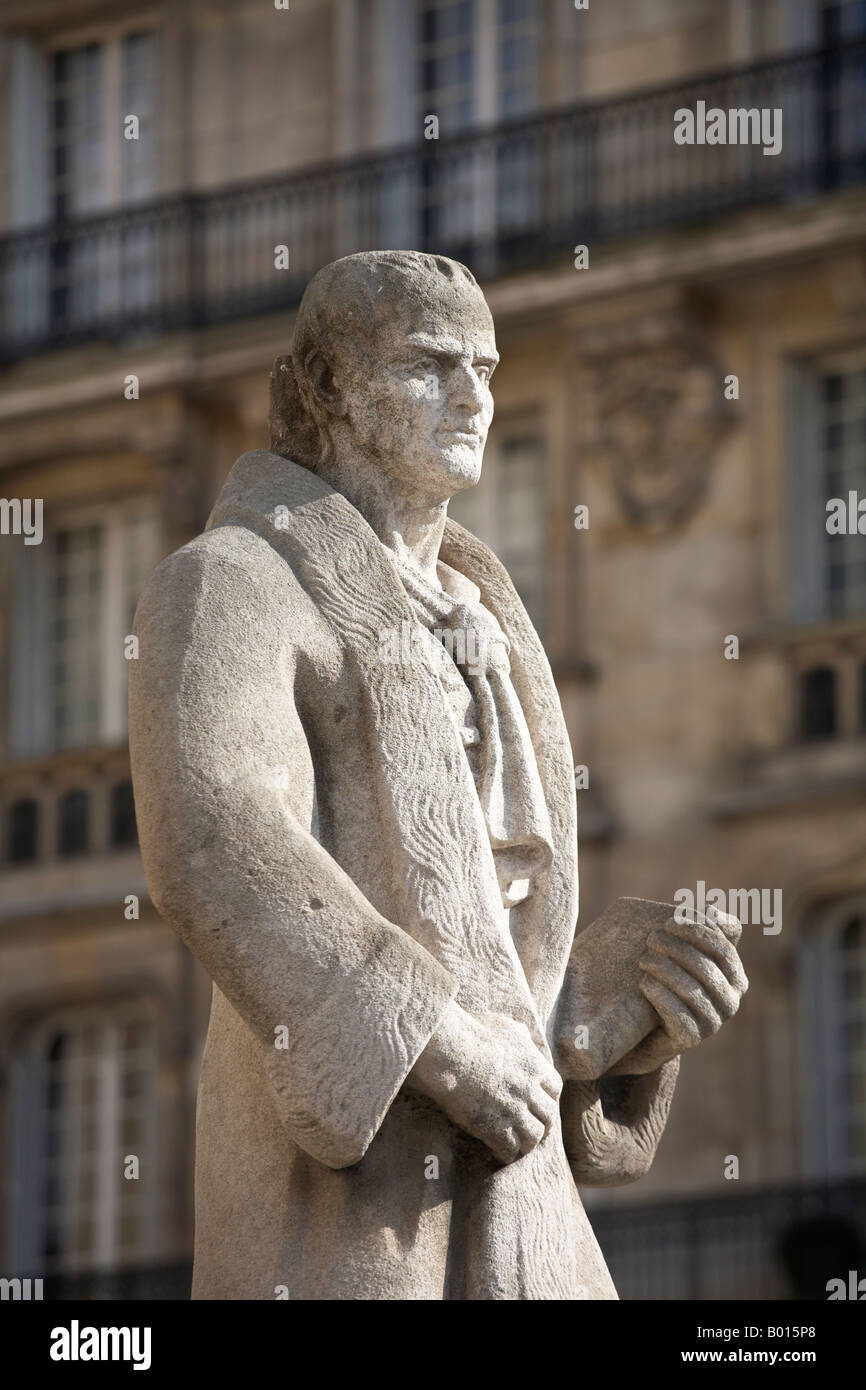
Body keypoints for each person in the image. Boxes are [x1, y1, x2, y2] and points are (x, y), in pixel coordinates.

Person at [129, 250, 747, 1300]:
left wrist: (608, 991)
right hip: (346, 1199)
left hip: (521, 1193)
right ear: (329, 388)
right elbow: (217, 837)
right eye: (428, 365)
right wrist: (442, 1046)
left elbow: (490, 942)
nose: (472, 396)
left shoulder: (485, 622)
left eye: (487, 368)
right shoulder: (229, 582)